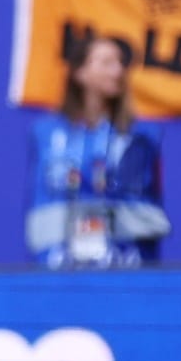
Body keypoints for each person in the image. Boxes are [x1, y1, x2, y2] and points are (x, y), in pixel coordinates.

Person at [27, 38, 169, 269]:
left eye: (121, 63)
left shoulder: (142, 135)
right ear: (80, 72)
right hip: (59, 264)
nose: (118, 71)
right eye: (106, 63)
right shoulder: (47, 133)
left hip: (128, 262)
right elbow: (40, 199)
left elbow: (150, 203)